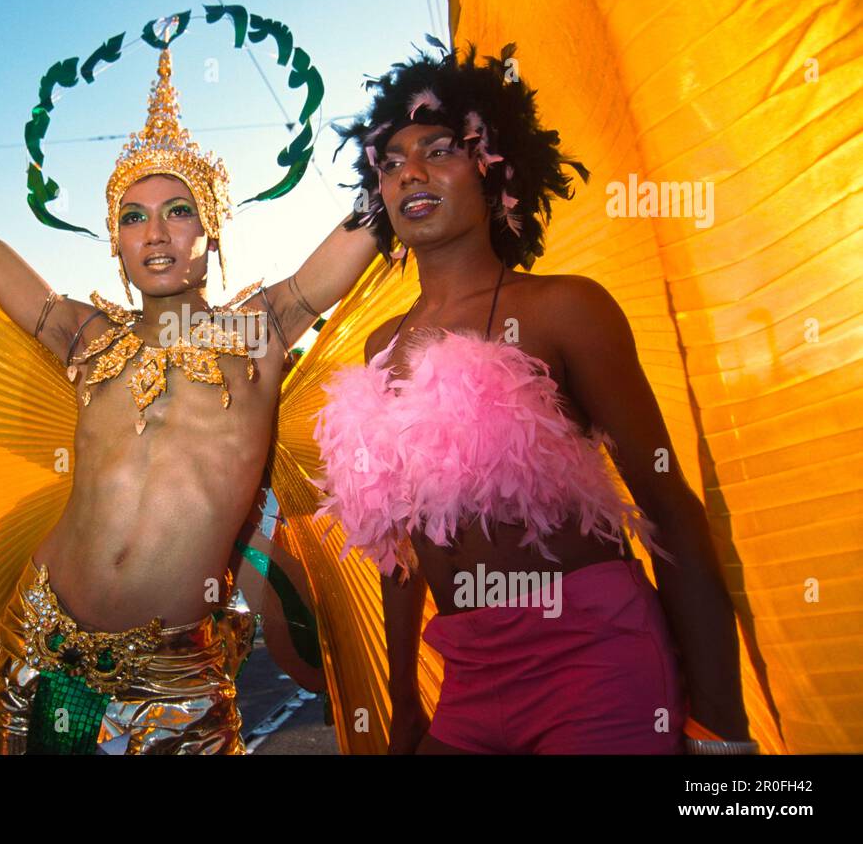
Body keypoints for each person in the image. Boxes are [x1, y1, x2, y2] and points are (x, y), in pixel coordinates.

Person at [0, 44, 378, 753]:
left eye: (178, 211)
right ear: (115, 242)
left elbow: (368, 228)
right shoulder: (83, 334)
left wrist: (410, 153)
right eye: (133, 216)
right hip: (39, 651)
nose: (155, 233)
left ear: (210, 229)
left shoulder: (258, 332)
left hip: (174, 685)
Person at [313, 38, 754, 754]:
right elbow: (399, 554)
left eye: (441, 148)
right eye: (390, 162)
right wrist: (400, 705)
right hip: (469, 674)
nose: (410, 172)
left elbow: (668, 504)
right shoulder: (379, 348)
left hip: (594, 660)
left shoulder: (565, 309)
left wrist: (721, 729)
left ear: (497, 171)